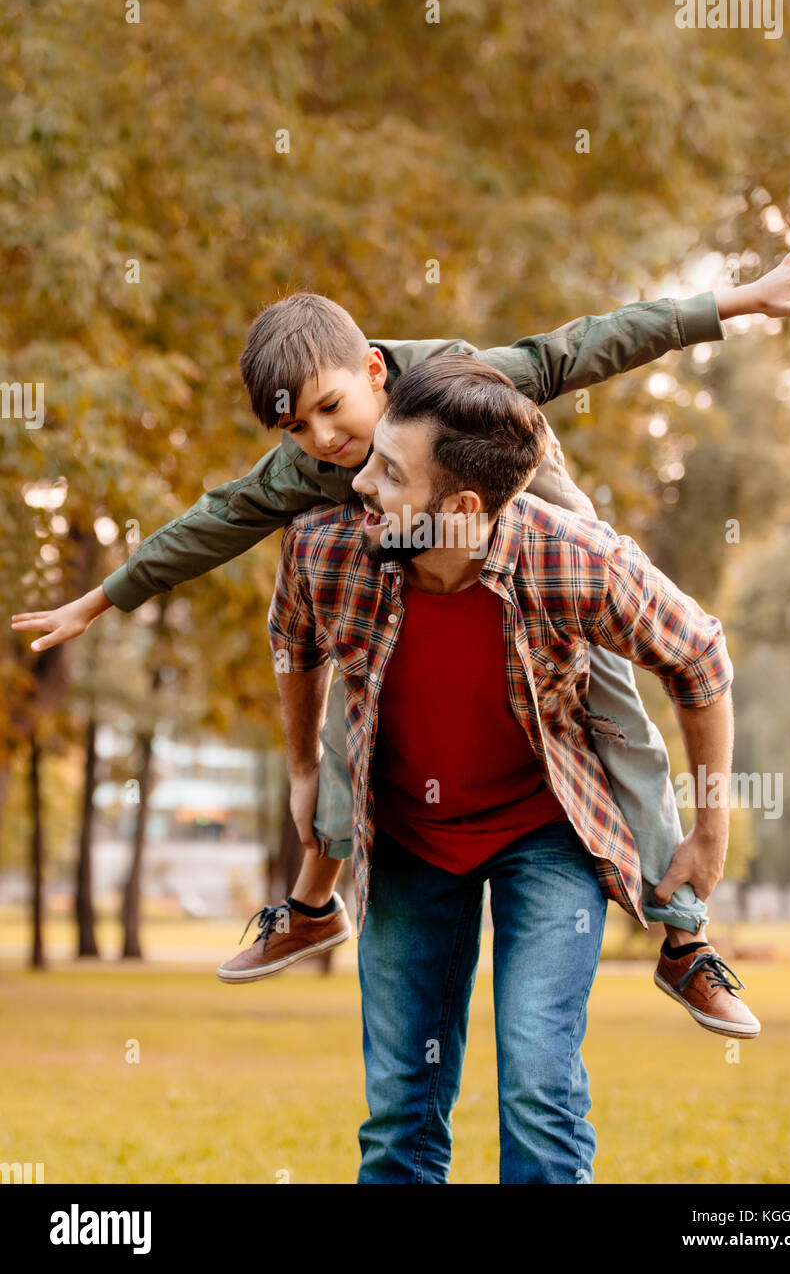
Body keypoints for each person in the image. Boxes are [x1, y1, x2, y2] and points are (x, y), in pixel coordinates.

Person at [11, 236, 790, 1025]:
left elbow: (587, 344)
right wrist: (101, 599)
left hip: (552, 586)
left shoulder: (457, 380)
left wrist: (736, 303)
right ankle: (310, 905)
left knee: (621, 727)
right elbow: (218, 517)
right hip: (420, 584)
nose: (325, 441)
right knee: (352, 720)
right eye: (298, 428)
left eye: (332, 409)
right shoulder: (312, 466)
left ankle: (685, 940)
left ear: (374, 370)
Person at [268, 354, 746, 1183]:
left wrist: (710, 829)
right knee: (398, 1111)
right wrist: (305, 763)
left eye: (388, 472)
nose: (359, 487)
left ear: (457, 508)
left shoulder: (572, 558)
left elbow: (699, 658)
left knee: (537, 1087)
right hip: (411, 841)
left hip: (545, 837)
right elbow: (293, 643)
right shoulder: (326, 551)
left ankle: (686, 947)